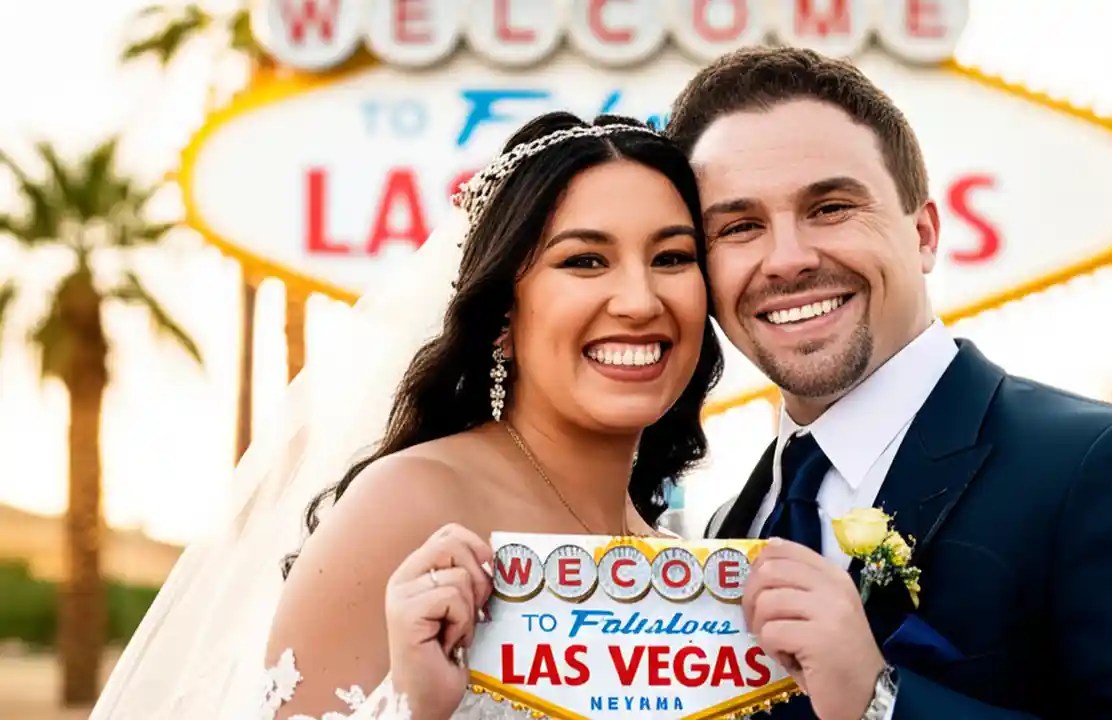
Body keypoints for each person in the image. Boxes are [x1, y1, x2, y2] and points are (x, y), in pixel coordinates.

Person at [667, 47, 1112, 719]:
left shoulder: (1103, 467)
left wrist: (881, 700)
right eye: (740, 227)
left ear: (923, 233)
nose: (789, 259)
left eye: (830, 208)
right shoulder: (727, 528)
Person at [88, 112, 723, 720]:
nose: (641, 301)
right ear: (502, 316)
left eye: (671, 258)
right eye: (584, 261)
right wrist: (412, 707)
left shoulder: (676, 564)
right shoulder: (412, 504)